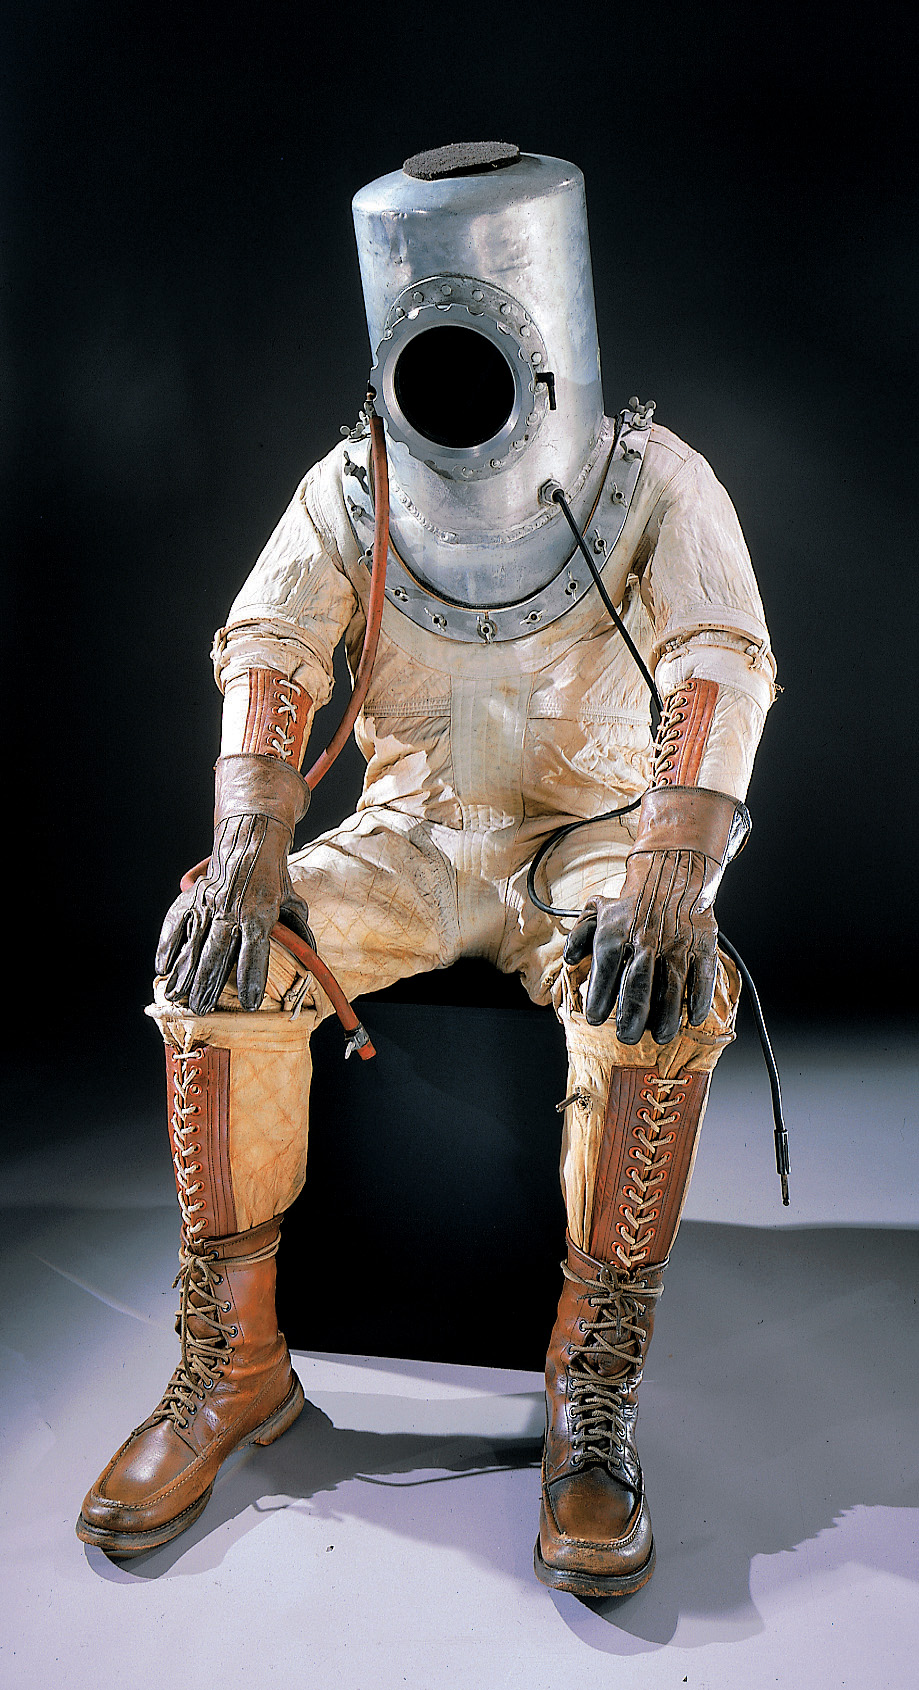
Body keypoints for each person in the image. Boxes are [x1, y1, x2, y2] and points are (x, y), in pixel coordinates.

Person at [77, 143, 776, 1597]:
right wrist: (246, 849)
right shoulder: (354, 486)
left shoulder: (656, 482)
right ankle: (234, 1367)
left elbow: (721, 652)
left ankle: (591, 1396)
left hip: (592, 836)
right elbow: (271, 641)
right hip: (411, 835)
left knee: (657, 997)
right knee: (217, 966)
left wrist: (673, 867)